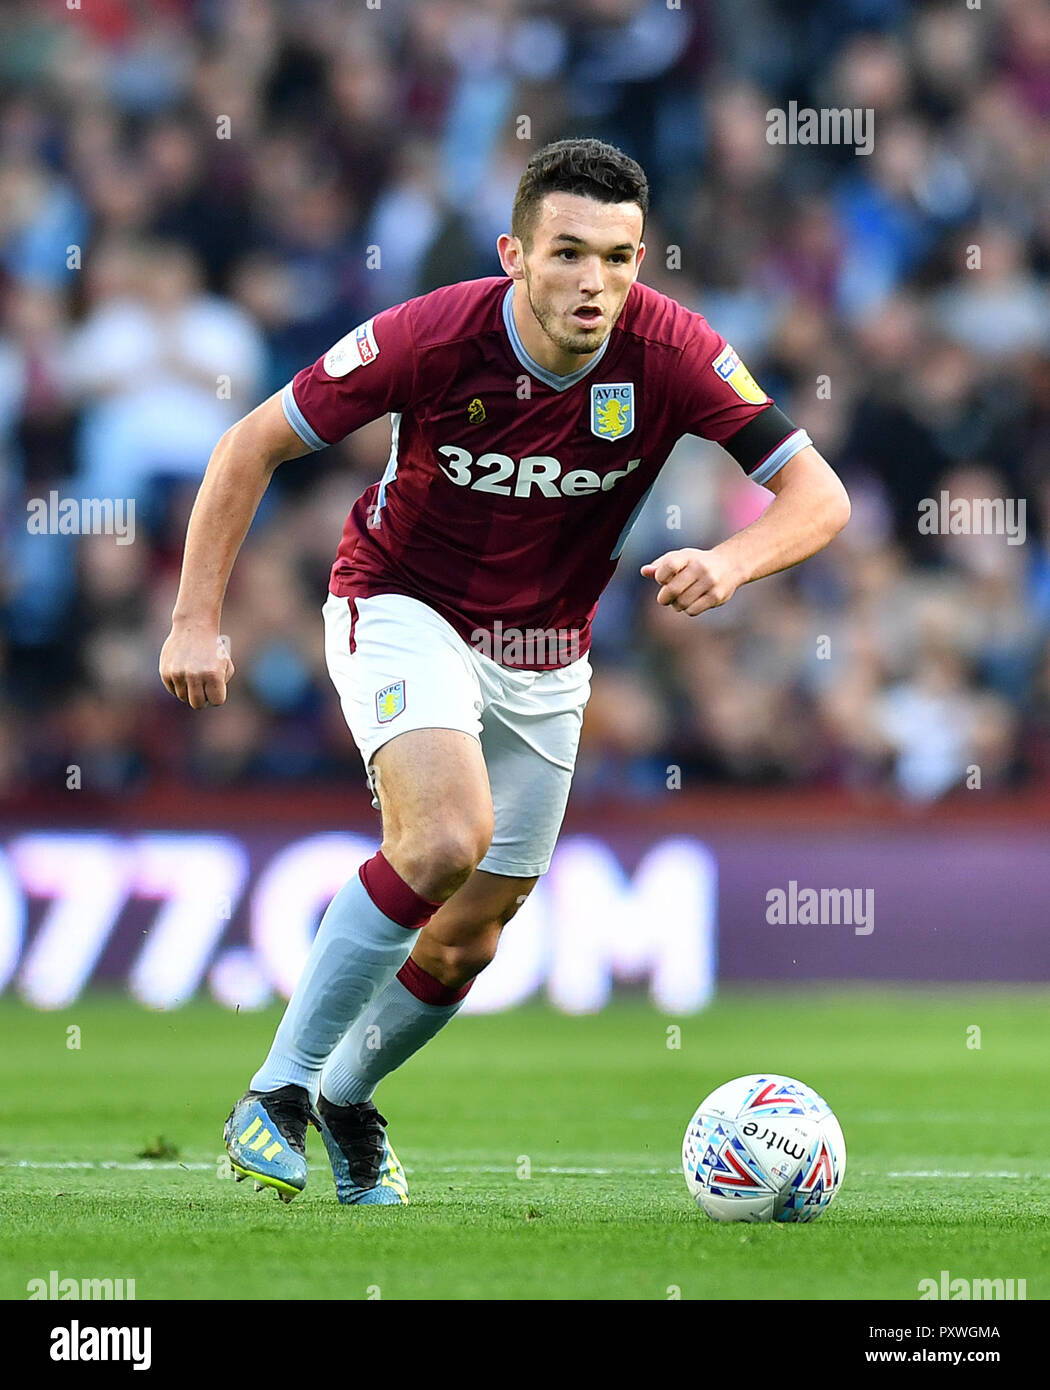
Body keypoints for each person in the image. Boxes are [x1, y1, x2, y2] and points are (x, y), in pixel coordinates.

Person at [159, 138, 850, 1205]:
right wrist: (197, 616)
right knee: (441, 838)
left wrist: (731, 558)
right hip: (401, 604)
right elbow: (249, 444)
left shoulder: (673, 350)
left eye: (618, 257)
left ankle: (346, 1100)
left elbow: (820, 496)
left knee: (473, 928)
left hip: (545, 652)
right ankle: (276, 1094)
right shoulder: (433, 334)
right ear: (514, 254)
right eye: (567, 253)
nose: (595, 282)